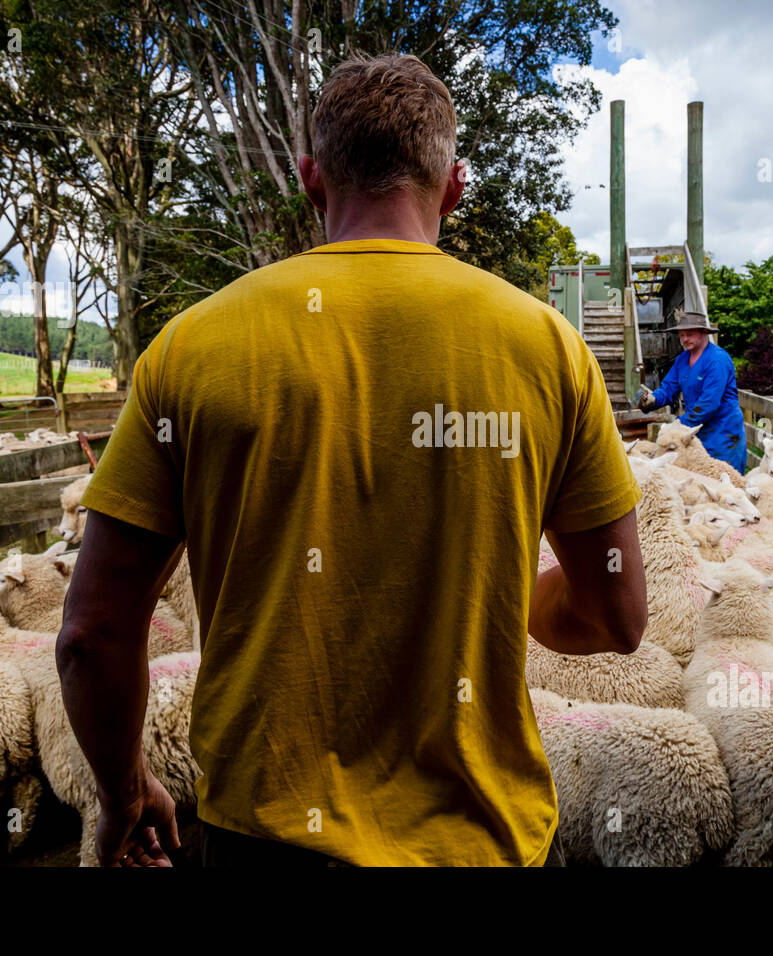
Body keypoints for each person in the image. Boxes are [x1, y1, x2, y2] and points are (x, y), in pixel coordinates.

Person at [54, 52, 648, 868]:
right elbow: (616, 617)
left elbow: (91, 632)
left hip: (263, 837)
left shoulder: (190, 348)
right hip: (482, 838)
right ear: (454, 187)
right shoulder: (548, 348)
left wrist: (125, 790)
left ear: (310, 179)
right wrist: (504, 598)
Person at [636, 310, 747, 472]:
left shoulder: (718, 360)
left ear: (703, 333)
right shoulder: (682, 360)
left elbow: (709, 403)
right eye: (681, 335)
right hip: (695, 434)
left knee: (726, 482)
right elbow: (668, 388)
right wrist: (652, 399)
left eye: (689, 334)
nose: (684, 339)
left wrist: (679, 424)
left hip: (723, 434)